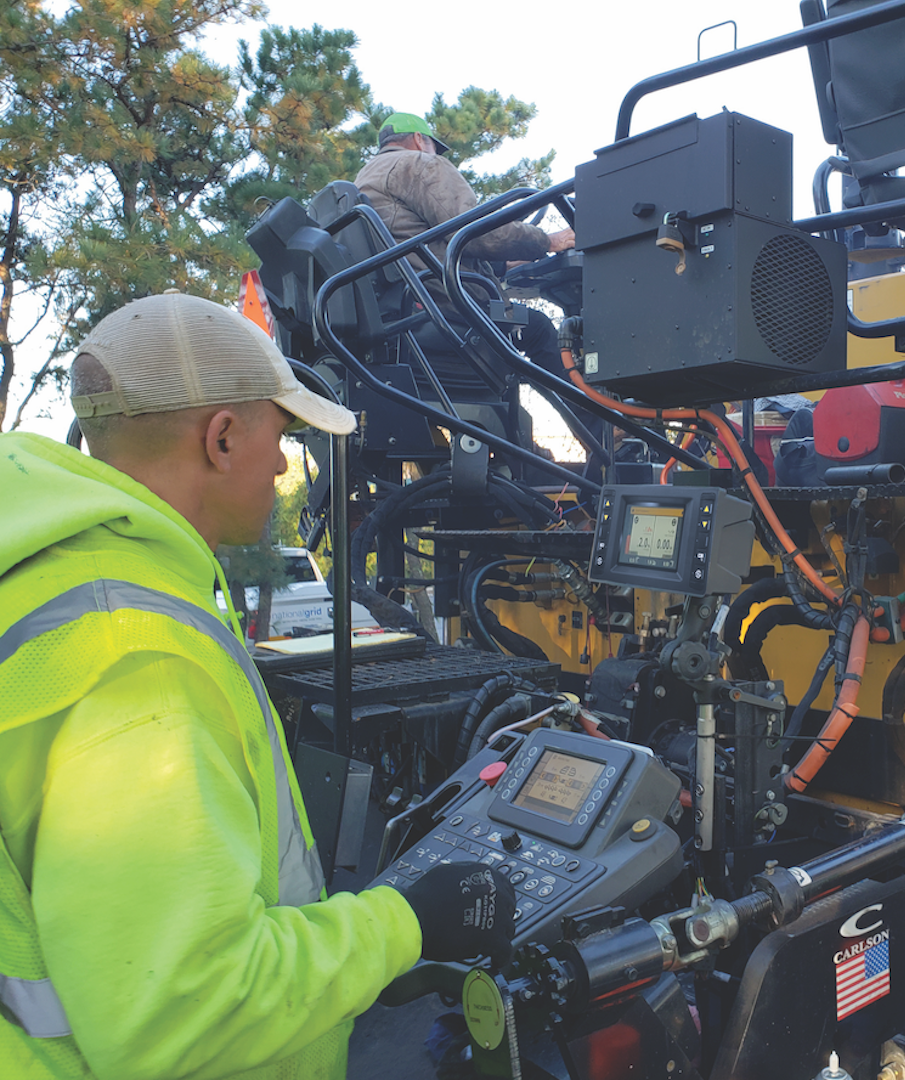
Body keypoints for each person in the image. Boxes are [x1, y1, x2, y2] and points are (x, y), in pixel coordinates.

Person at [0, 292, 514, 1079]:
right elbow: (190, 1011)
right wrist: (405, 922)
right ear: (224, 437)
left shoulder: (52, 575)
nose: (282, 466)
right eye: (281, 435)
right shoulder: (140, 661)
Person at [355, 111, 573, 381]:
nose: (437, 154)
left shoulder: (361, 183)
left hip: (405, 305)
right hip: (446, 306)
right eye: (435, 146)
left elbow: (420, 241)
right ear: (419, 139)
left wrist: (504, 264)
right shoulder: (420, 165)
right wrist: (549, 241)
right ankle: (598, 423)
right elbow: (477, 234)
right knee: (538, 328)